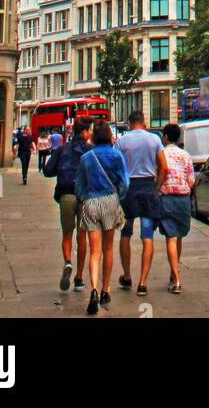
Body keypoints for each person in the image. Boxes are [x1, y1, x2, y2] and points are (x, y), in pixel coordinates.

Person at [75, 120, 129, 316]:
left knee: (94, 251)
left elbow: (79, 187)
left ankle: (94, 290)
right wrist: (118, 196)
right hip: (109, 200)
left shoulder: (86, 158)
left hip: (90, 202)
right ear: (109, 135)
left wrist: (84, 199)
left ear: (93, 137)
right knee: (108, 248)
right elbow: (125, 182)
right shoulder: (116, 155)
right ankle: (106, 289)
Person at [116, 111, 163, 296]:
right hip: (147, 188)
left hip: (128, 190)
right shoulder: (154, 140)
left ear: (129, 123)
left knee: (125, 233)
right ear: (144, 122)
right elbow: (164, 166)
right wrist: (157, 187)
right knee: (147, 235)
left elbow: (117, 167)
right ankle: (143, 282)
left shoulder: (121, 141)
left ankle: (127, 276)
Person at [44, 117, 92, 291]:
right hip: (84, 197)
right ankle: (79, 279)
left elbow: (48, 171)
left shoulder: (61, 149)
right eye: (89, 130)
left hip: (66, 196)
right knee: (82, 236)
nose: (91, 133)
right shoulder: (89, 150)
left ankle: (68, 262)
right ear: (84, 132)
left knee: (66, 234)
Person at [156, 123, 195, 294]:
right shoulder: (185, 155)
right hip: (183, 199)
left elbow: (159, 173)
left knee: (170, 237)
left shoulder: (162, 154)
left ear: (165, 137)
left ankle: (176, 279)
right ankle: (174, 272)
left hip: (167, 198)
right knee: (178, 236)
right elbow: (191, 179)